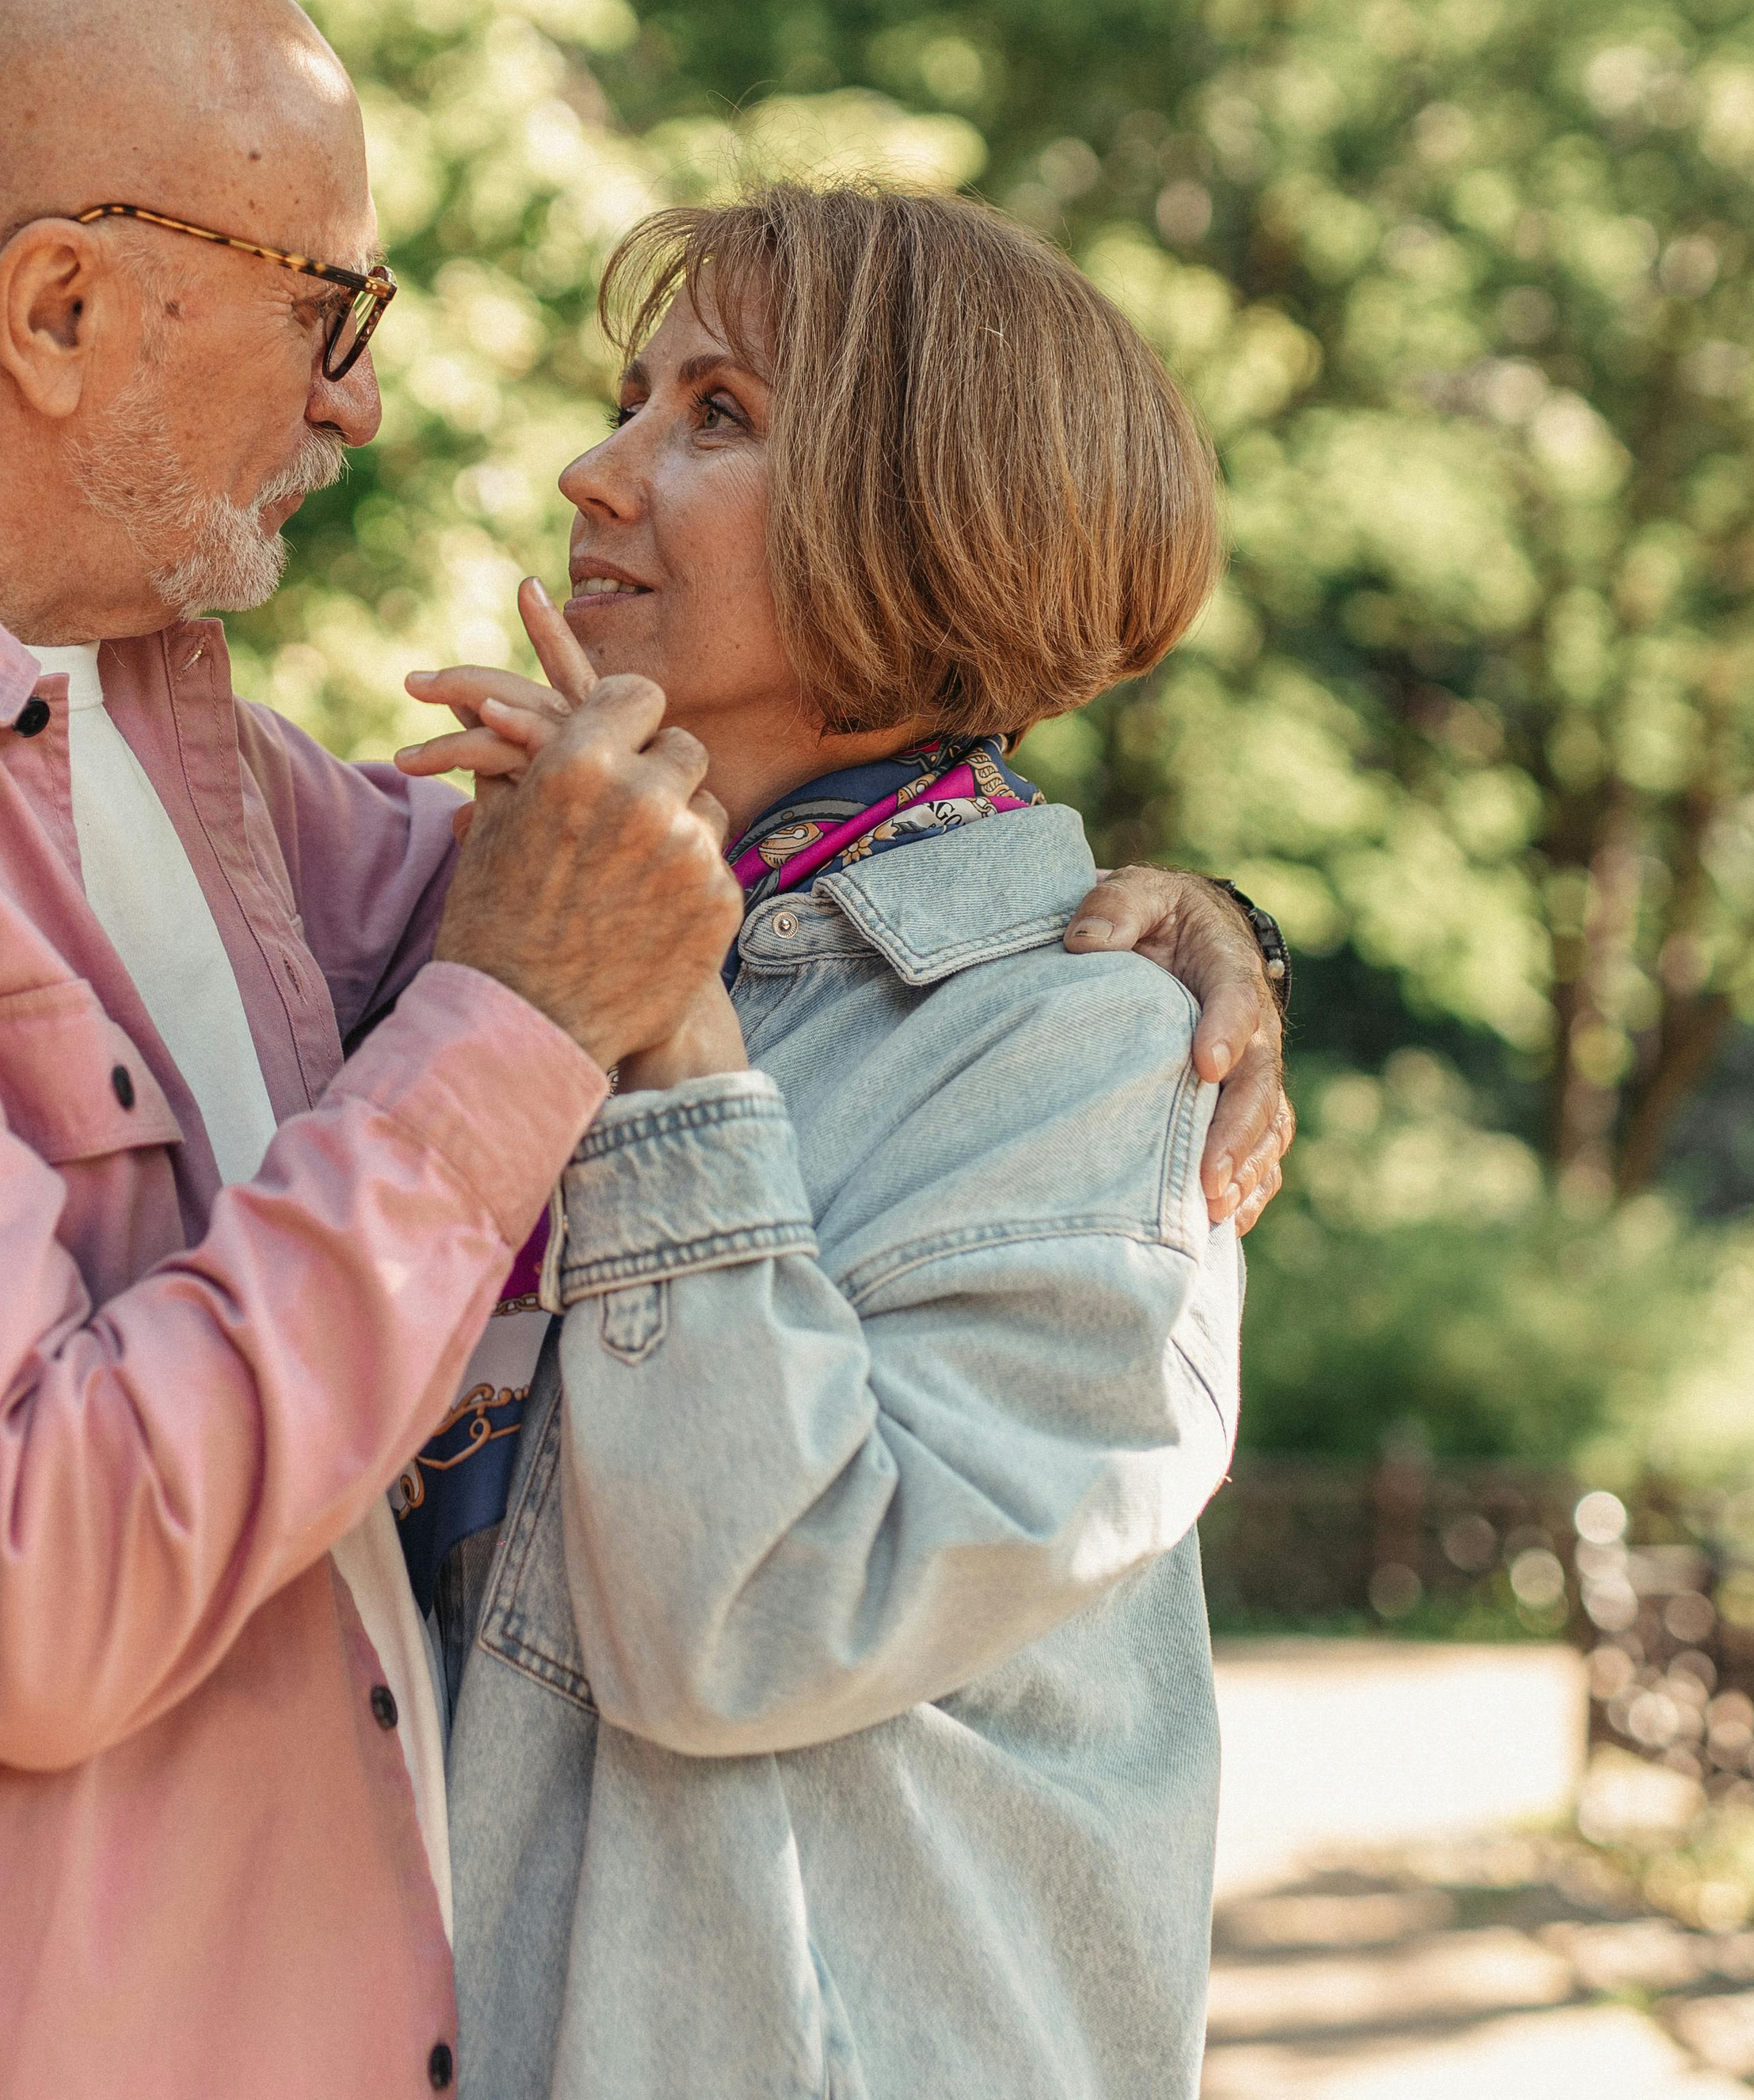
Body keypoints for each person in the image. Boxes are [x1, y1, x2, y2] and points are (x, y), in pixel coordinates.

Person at [0, 0, 1286, 2098]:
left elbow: (714, 919)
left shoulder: (140, 762)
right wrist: (566, 1024)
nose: (369, 401)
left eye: (710, 411)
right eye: (323, 308)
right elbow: (38, 1570)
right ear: (62, 308)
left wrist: (1140, 934)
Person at [400, 184, 1252, 2099]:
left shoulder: (1095, 1059)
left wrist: (674, 1046)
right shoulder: (476, 923)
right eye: (632, 398)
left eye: (717, 415)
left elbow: (767, 1619)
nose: (593, 470)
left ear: (926, 513)